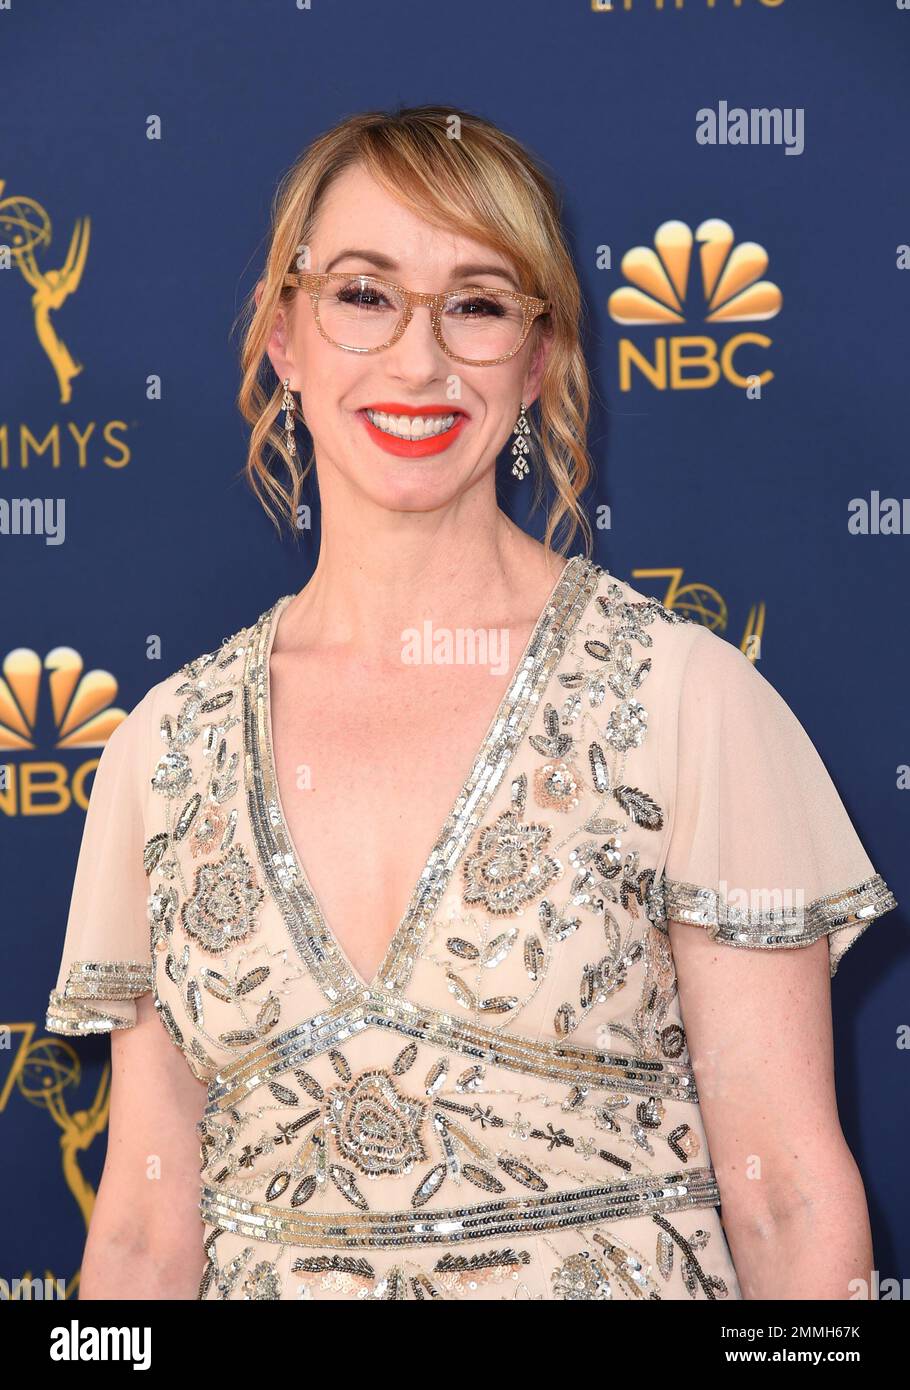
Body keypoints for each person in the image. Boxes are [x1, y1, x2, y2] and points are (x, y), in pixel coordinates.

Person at [46, 105, 898, 1302]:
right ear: (282, 335)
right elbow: (139, 1229)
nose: (419, 360)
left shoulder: (684, 702)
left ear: (539, 356)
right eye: (362, 293)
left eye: (479, 302)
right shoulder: (162, 751)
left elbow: (786, 1196)